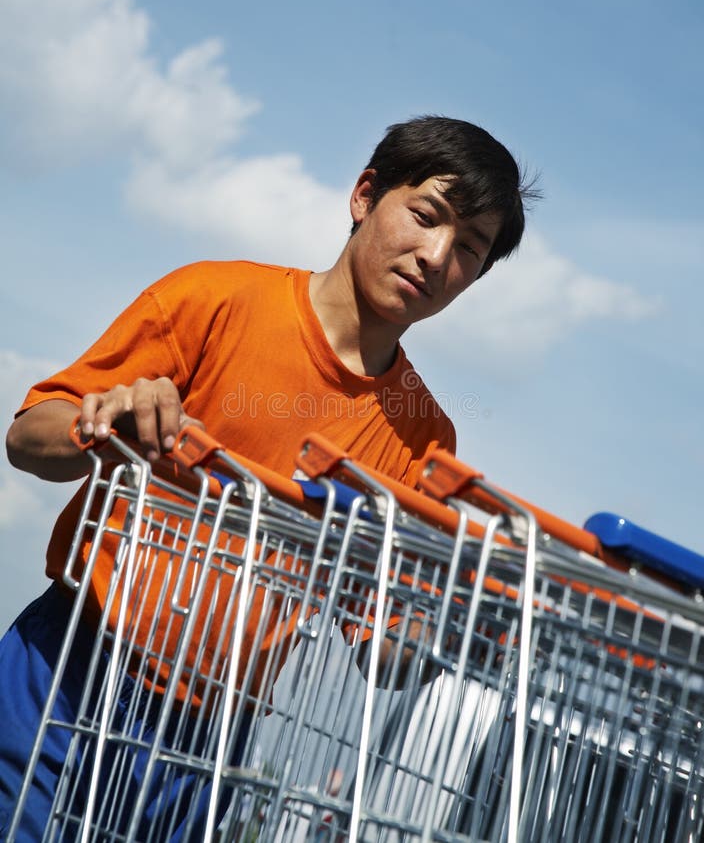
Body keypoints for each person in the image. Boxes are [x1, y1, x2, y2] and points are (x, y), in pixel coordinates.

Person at [1, 116, 534, 839]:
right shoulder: (214, 300)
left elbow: (379, 645)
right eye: (426, 215)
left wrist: (458, 622)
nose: (437, 255)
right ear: (364, 195)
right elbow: (27, 438)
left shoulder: (424, 436)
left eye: (468, 247)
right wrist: (106, 422)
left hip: (208, 745)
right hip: (65, 669)